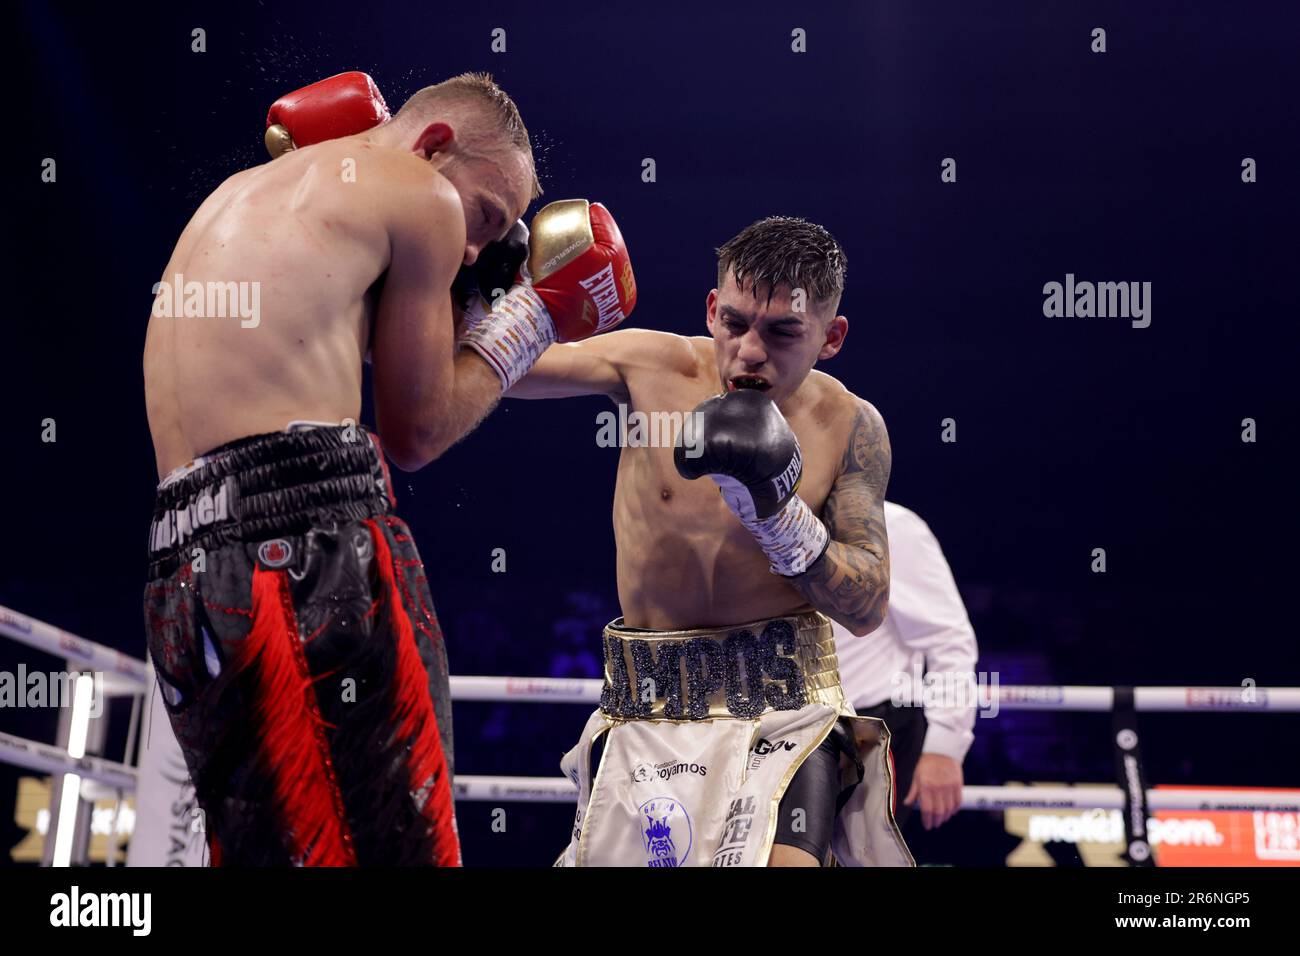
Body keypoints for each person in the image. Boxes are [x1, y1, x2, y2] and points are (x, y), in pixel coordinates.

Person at [142, 71, 635, 865]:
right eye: (486, 213)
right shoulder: (420, 193)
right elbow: (420, 428)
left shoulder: (249, 191)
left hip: (182, 576)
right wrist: (537, 313)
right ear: (434, 146)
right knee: (397, 847)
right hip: (304, 550)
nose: (473, 245)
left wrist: (484, 306)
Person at [510, 216, 912, 866]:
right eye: (734, 323)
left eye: (782, 332)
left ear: (831, 337)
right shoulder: (652, 366)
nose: (750, 351)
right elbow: (495, 368)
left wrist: (779, 518)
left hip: (786, 713)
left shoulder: (849, 424)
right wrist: (501, 284)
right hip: (646, 709)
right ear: (710, 310)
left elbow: (867, 606)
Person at [834, 501, 977, 834]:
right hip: (788, 731)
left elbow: (948, 640)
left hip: (876, 736)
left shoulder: (890, 525)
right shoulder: (767, 521)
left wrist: (945, 746)